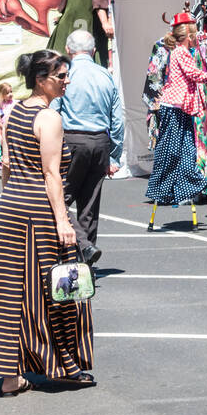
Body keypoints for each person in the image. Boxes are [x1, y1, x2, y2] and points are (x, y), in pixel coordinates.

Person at [0, 50, 94, 395]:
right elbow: (52, 176)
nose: (67, 81)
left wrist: (12, 198)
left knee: (10, 292)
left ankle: (11, 376)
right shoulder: (49, 118)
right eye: (61, 76)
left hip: (10, 207)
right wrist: (63, 221)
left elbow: (6, 165)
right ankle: (60, 363)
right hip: (38, 209)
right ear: (41, 79)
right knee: (54, 290)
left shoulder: (14, 112)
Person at [55, 29, 124, 265]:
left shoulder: (66, 74)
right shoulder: (105, 75)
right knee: (89, 205)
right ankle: (85, 263)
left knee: (57, 198)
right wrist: (114, 156)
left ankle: (82, 246)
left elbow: (55, 111)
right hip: (100, 141)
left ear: (68, 50)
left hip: (72, 140)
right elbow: (118, 120)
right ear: (94, 51)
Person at [143, 9, 207, 213]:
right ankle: (165, 188)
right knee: (171, 149)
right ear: (189, 36)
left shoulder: (182, 51)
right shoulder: (181, 52)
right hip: (174, 107)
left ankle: (188, 184)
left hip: (181, 108)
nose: (198, 39)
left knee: (186, 148)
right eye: (195, 35)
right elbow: (193, 74)